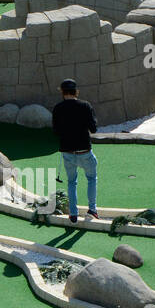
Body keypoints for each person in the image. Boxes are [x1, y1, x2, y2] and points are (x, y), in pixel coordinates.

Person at [51, 78, 99, 222]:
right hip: (84, 150)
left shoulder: (57, 108)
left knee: (72, 182)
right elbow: (94, 129)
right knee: (91, 178)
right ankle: (92, 209)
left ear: (63, 92)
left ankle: (73, 213)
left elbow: (55, 131)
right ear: (75, 91)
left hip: (67, 152)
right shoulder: (85, 106)